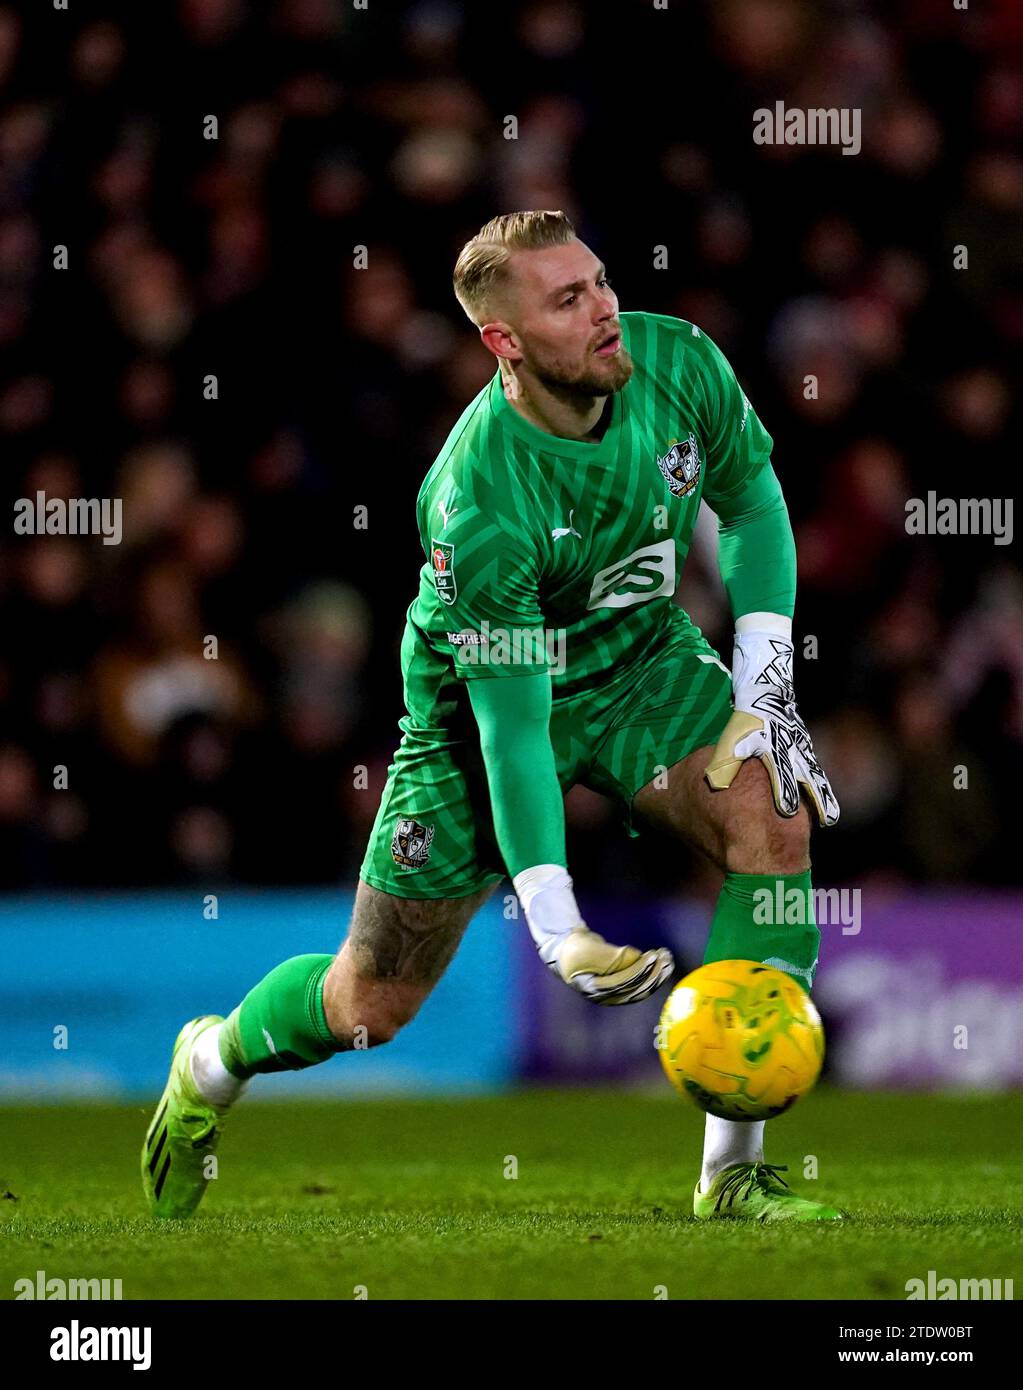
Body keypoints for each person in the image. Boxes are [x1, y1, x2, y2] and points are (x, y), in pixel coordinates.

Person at [142, 211, 842, 1224]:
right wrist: (560, 933)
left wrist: (764, 682)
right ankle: (208, 1063)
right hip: (477, 720)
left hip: (639, 664)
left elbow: (754, 503)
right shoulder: (480, 504)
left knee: (773, 815)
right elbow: (514, 737)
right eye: (568, 300)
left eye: (599, 280)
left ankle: (731, 1174)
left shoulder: (676, 362)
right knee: (368, 1005)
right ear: (503, 343)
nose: (606, 309)